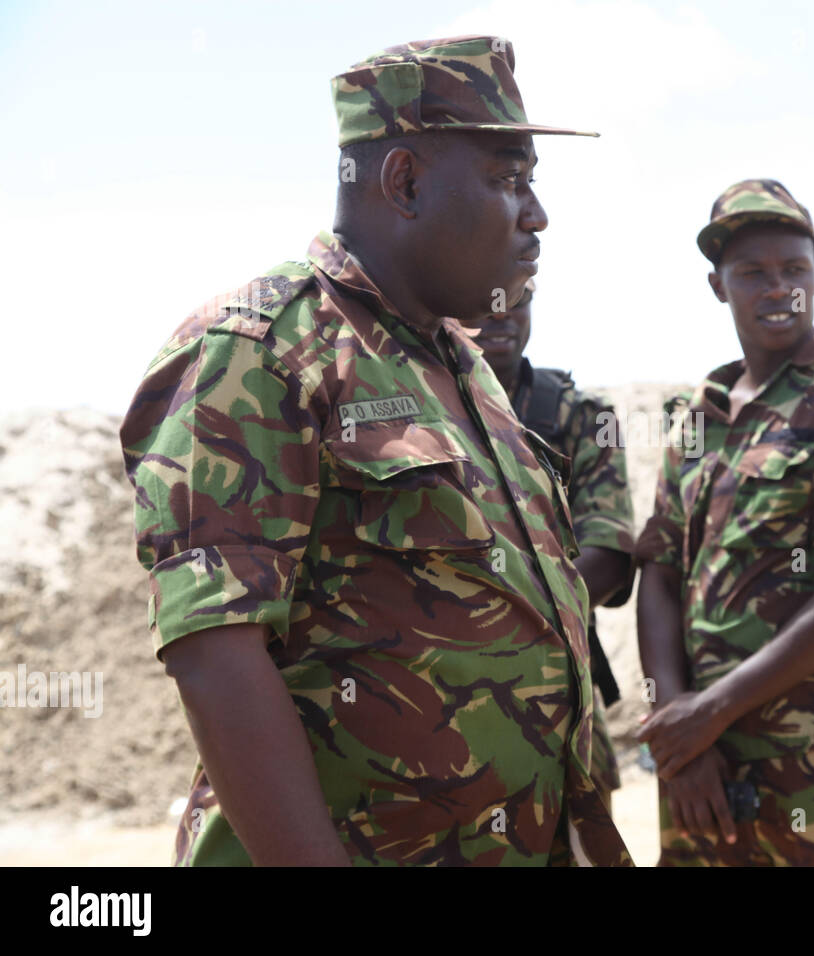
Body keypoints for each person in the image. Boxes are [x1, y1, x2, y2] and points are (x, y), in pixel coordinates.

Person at [118, 35, 631, 867]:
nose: (535, 213)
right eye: (508, 180)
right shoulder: (262, 349)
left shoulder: (460, 368)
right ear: (404, 182)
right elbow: (216, 652)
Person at [635, 179, 814, 865]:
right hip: (696, 763)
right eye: (753, 273)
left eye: (794, 270)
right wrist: (680, 733)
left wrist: (708, 714)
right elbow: (659, 569)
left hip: (813, 761)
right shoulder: (699, 416)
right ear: (717, 286)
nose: (778, 289)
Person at [458, 280, 637, 802]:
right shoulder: (408, 408)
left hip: (557, 680)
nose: (502, 316)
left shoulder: (587, 418)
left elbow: (610, 552)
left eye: (517, 301)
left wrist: (497, 627)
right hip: (441, 688)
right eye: (485, 302)